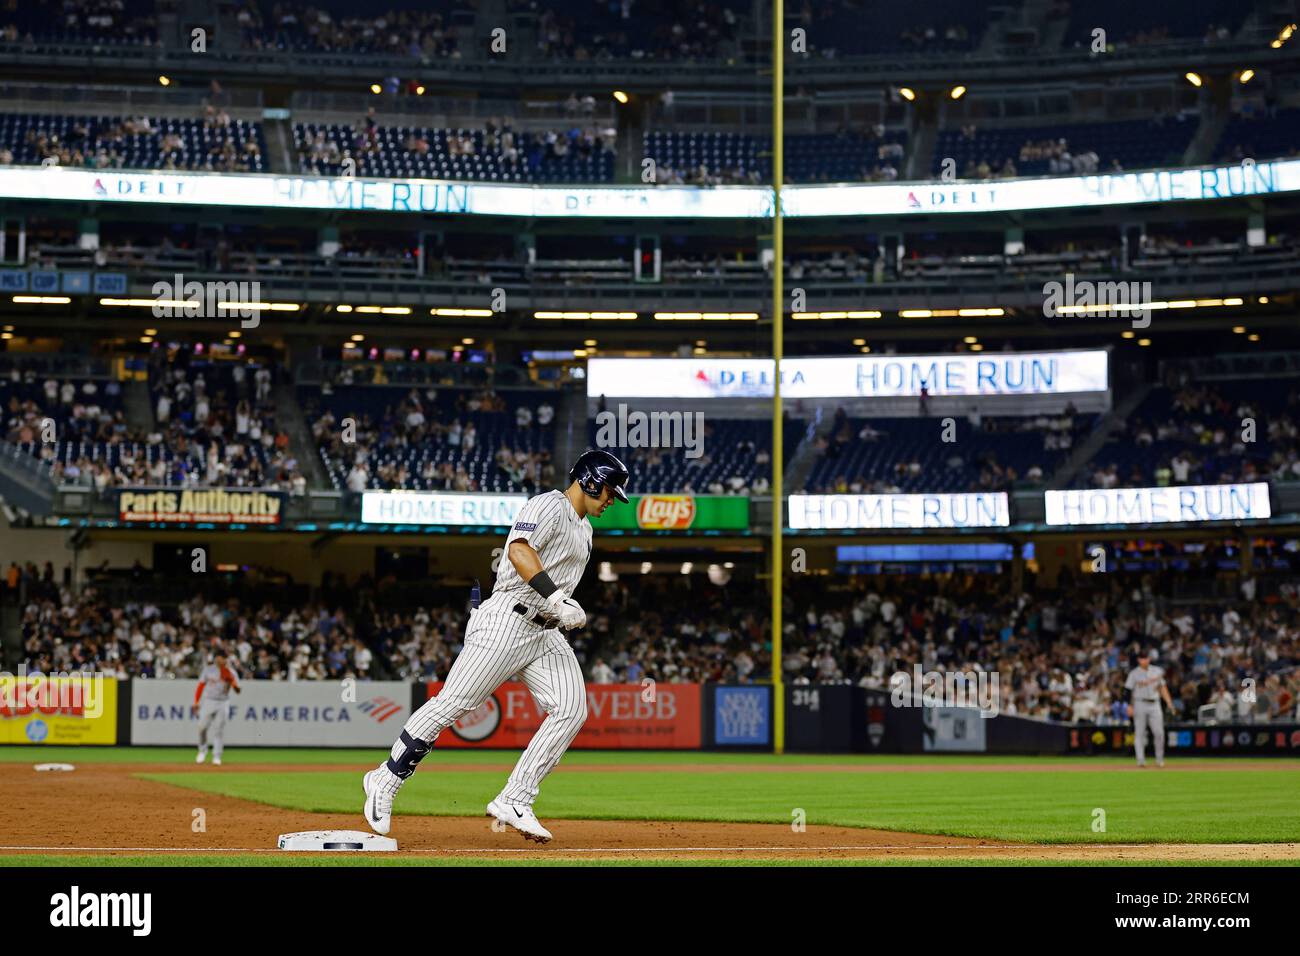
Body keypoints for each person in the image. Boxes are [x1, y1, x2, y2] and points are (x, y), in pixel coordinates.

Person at [361, 449, 630, 843]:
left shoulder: (585, 530)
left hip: (544, 631)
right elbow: (519, 549)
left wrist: (562, 609)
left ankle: (515, 798)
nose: (611, 500)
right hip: (508, 617)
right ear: (590, 479)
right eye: (609, 491)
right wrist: (557, 598)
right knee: (453, 704)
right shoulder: (549, 505)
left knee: (572, 709)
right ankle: (385, 778)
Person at [1125, 647, 1173, 767]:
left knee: (1159, 733)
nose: (1143, 660)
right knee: (1139, 733)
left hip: (1154, 703)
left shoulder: (1157, 671)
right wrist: (1129, 706)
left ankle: (1159, 759)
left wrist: (1169, 702)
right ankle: (1140, 760)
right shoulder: (1134, 673)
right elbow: (1128, 691)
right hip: (1139, 703)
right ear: (1138, 660)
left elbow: (1162, 688)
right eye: (1141, 658)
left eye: (1145, 658)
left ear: (1149, 659)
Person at [194, 651, 242, 766]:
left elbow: (238, 690)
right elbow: (200, 685)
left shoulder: (231, 672)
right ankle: (202, 751)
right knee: (201, 727)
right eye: (218, 657)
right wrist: (196, 701)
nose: (220, 660)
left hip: (223, 702)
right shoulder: (209, 669)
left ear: (226, 659)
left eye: (223, 658)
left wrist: (231, 681)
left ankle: (217, 756)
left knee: (219, 730)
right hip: (209, 700)